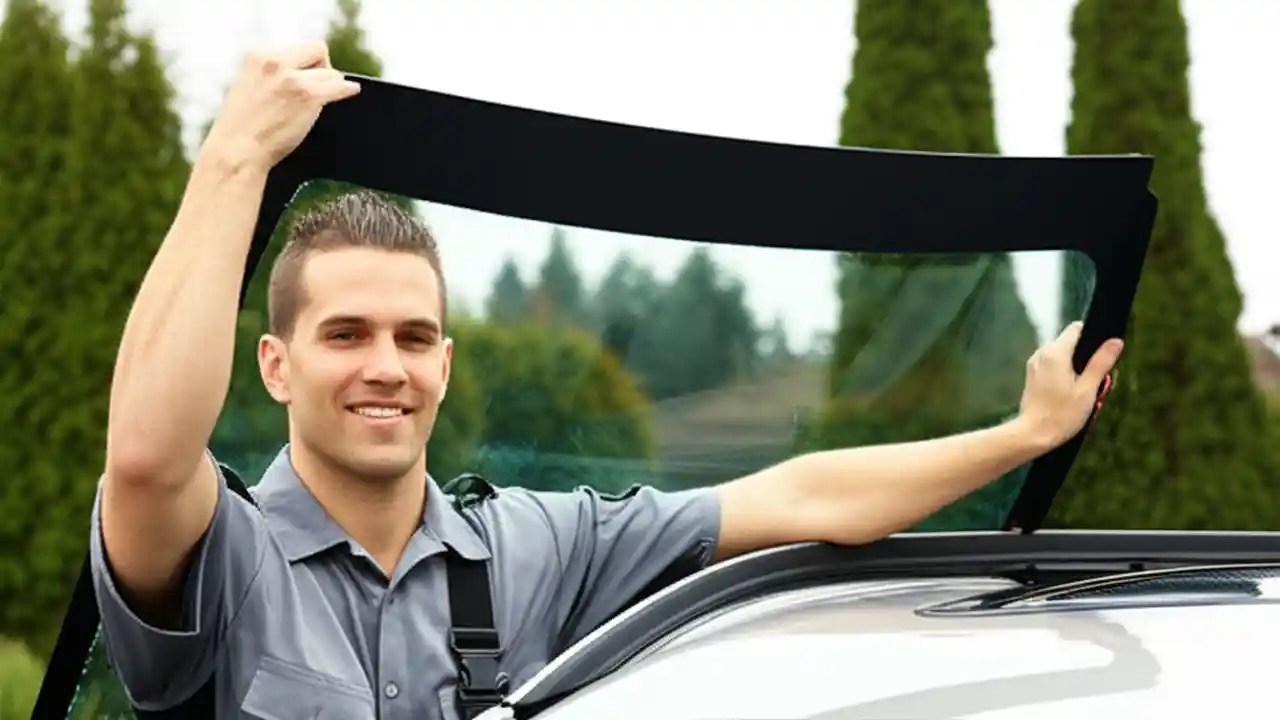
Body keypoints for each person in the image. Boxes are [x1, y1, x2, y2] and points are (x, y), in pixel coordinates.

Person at [91, 41, 1125, 720]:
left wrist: (1023, 434)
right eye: (345, 334)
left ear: (446, 365)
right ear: (275, 364)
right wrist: (233, 159)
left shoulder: (541, 547)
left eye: (414, 337)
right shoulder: (217, 554)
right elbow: (143, 457)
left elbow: (799, 496)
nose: (384, 367)